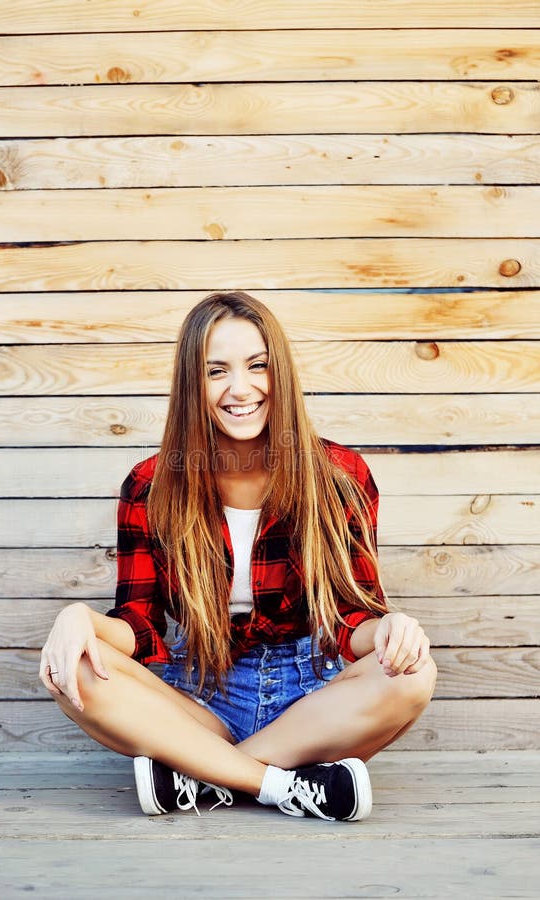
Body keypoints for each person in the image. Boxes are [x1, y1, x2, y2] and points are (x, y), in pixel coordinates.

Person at [40, 290, 436, 822]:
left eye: (257, 366)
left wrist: (391, 631)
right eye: (216, 371)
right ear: (192, 384)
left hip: (310, 700)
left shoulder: (340, 476)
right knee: (72, 671)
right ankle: (283, 785)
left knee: (414, 675)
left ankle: (201, 776)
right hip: (201, 692)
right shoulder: (151, 484)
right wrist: (78, 621)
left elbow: (350, 616)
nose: (240, 388)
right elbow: (139, 625)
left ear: (281, 374)